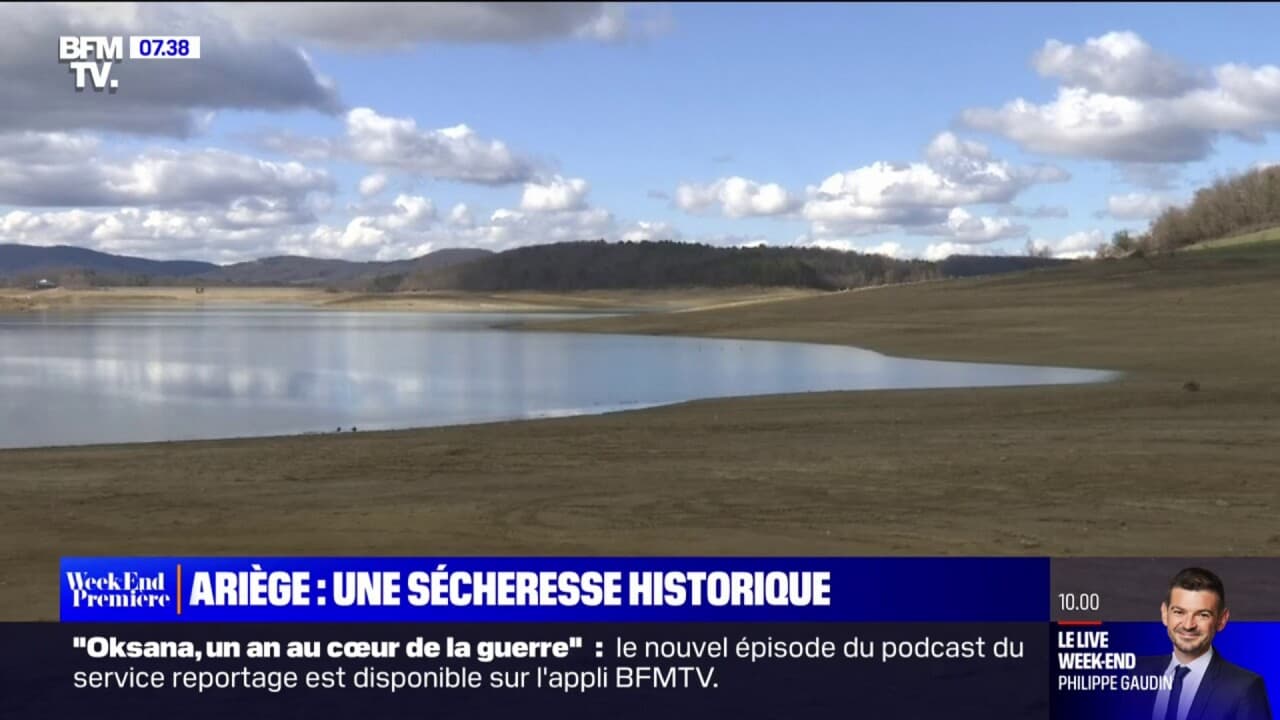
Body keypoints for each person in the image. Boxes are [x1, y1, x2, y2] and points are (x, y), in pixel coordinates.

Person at [1138, 567, 1271, 720]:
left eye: (1202, 615)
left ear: (1222, 619)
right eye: (1179, 612)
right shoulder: (1133, 673)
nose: (1188, 625)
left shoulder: (1244, 688)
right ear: (1164, 613)